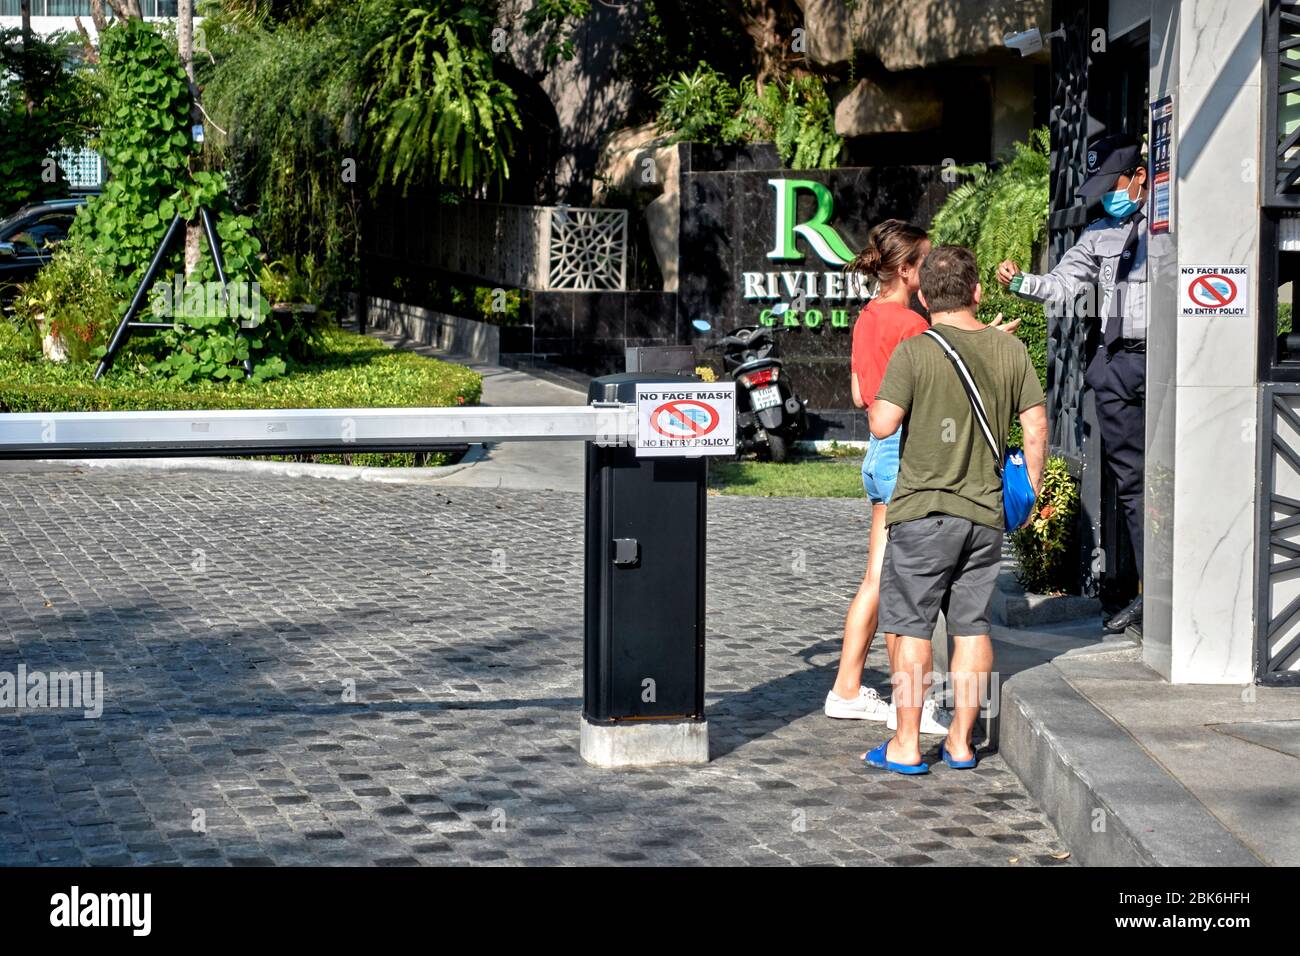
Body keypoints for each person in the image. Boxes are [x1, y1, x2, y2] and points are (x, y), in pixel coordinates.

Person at [825, 222, 1019, 736]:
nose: (932, 273)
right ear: (908, 270)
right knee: (902, 595)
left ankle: (847, 687)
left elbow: (859, 393)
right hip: (905, 457)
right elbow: (947, 377)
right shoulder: (912, 326)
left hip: (876, 454)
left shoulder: (868, 317)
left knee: (878, 579)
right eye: (926, 262)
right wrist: (992, 341)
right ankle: (907, 708)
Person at [864, 245, 1047, 774]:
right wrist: (1029, 491)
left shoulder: (914, 351)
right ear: (978, 291)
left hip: (923, 514)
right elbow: (1034, 424)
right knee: (972, 628)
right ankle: (962, 743)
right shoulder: (1008, 350)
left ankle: (904, 745)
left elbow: (881, 424)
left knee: (911, 628)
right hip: (985, 517)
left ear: (922, 296)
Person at [995, 133, 1148, 635]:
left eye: (1114, 185)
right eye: (1102, 189)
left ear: (1140, 178)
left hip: (1175, 366)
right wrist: (1020, 282)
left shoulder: (1169, 230)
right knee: (1132, 482)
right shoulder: (1100, 233)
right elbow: (1062, 286)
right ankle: (1145, 591)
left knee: (1181, 474)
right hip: (1120, 365)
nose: (1108, 197)